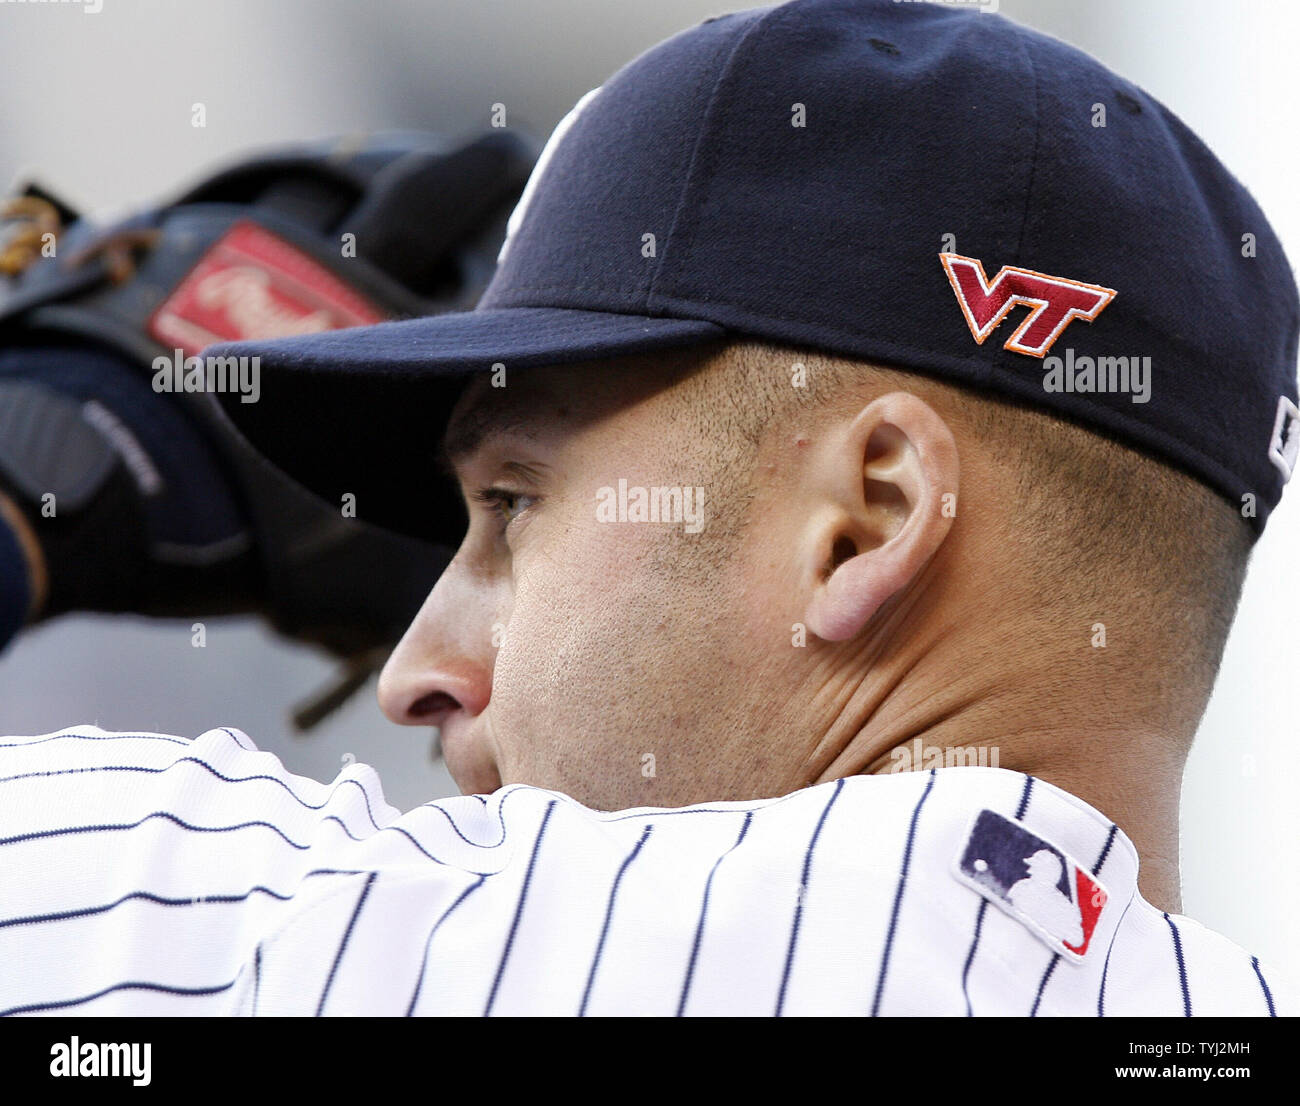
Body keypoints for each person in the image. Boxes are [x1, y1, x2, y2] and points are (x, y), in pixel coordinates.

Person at [0, 0, 1295, 1016]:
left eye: (514, 501)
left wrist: (44, 469)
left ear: (868, 521)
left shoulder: (486, 950)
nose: (415, 673)